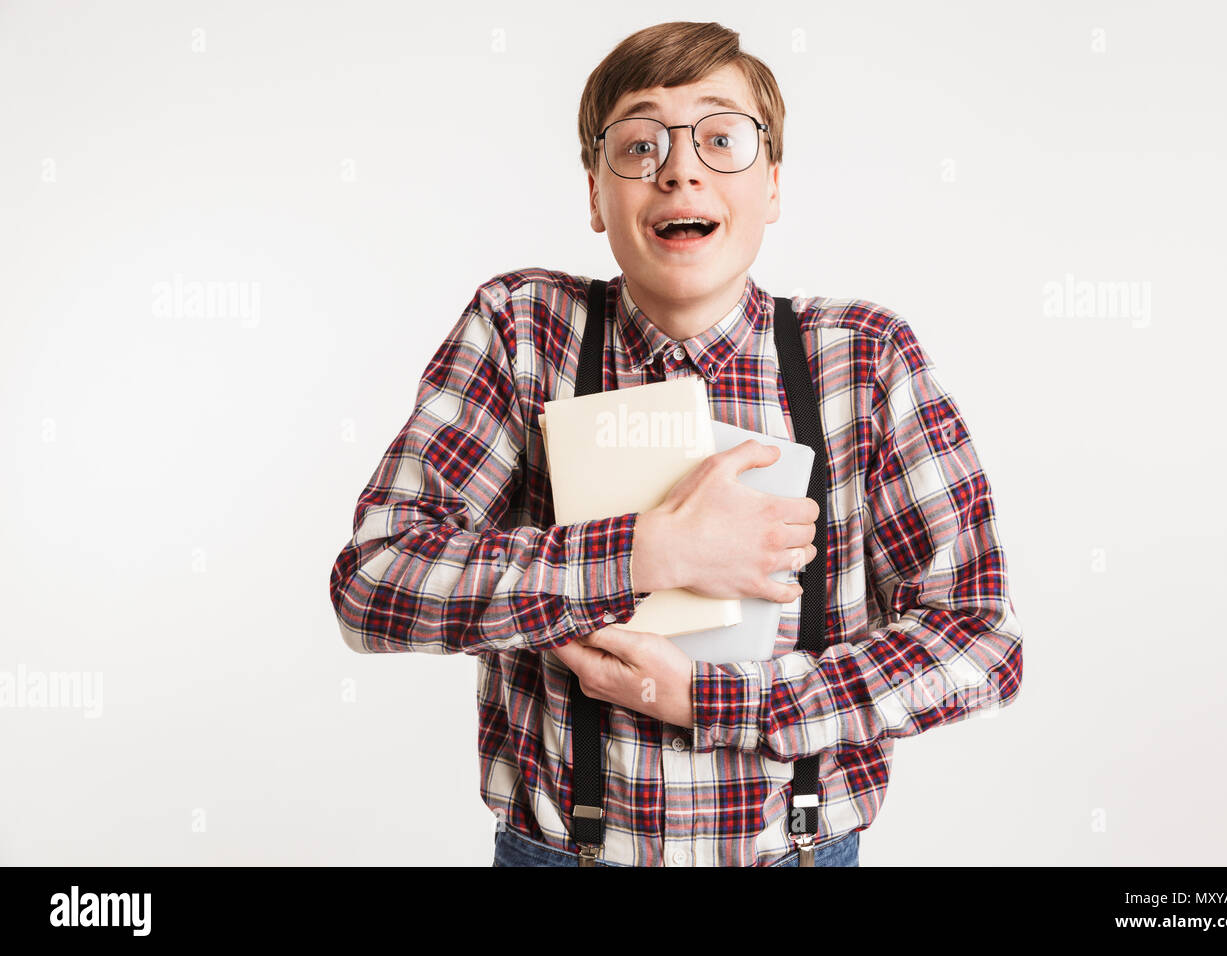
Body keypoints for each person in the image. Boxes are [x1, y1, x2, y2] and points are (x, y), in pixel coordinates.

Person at [328, 20, 1023, 867]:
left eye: (722, 138)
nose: (680, 168)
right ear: (594, 192)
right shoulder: (522, 331)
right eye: (640, 142)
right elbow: (375, 583)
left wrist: (716, 701)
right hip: (563, 853)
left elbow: (979, 642)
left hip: (797, 854)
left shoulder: (863, 359)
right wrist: (648, 553)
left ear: (772, 185)